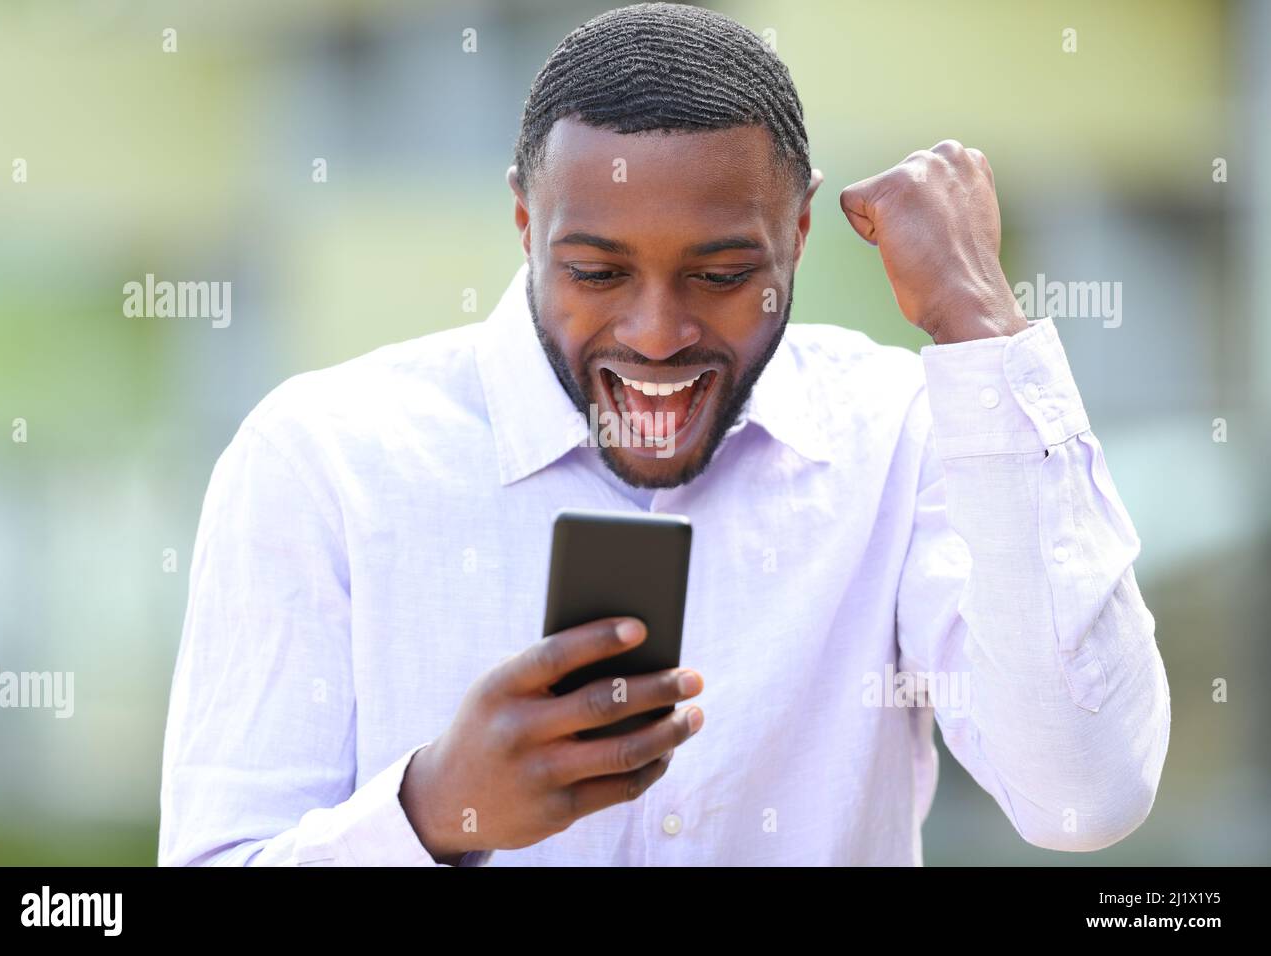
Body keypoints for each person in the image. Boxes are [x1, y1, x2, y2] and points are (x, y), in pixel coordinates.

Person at [158, 2, 1170, 866]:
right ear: (524, 225)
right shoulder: (322, 457)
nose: (655, 333)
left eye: (722, 275)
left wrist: (980, 329)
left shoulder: (898, 434)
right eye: (596, 272)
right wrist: (430, 809)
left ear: (801, 233)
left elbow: (1082, 792)